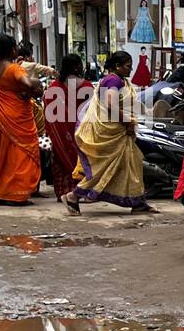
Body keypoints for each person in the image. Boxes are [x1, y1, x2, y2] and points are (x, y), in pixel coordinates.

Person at [68, 50, 154, 215]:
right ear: (117, 66)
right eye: (128, 66)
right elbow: (111, 105)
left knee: (131, 164)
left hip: (118, 132)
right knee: (104, 169)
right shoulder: (113, 80)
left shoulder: (119, 80)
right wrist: (127, 121)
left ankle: (138, 202)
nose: (131, 69)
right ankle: (73, 196)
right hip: (109, 133)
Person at [0, 35, 43, 206]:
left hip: (1, 117)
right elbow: (28, 84)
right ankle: (16, 194)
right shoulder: (15, 69)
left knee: (4, 154)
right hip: (18, 117)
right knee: (21, 154)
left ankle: (2, 192)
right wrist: (36, 82)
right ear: (13, 50)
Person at [44, 54, 92, 203]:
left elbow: (48, 113)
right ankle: (81, 191)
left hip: (60, 133)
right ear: (77, 66)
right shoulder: (86, 86)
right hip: (81, 131)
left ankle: (64, 191)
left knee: (60, 160)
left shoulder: (54, 87)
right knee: (83, 160)